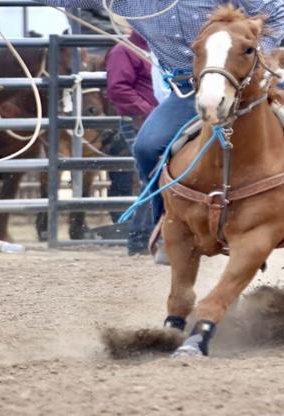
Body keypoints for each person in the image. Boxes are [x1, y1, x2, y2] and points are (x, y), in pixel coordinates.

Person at [48, 0, 284, 258]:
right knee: (147, 146)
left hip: (254, 79)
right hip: (191, 90)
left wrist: (253, 56)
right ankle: (166, 225)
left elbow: (278, 12)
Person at [103, 13, 155, 256]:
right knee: (153, 174)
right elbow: (118, 89)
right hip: (139, 120)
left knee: (155, 174)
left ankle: (144, 235)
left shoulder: (155, 48)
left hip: (149, 118)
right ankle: (140, 236)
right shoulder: (124, 51)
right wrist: (149, 109)